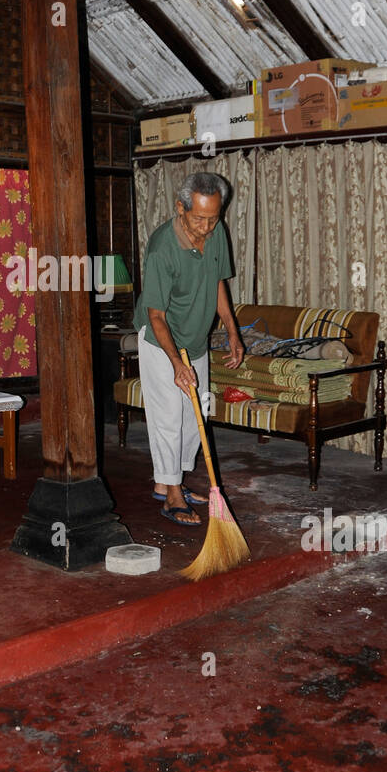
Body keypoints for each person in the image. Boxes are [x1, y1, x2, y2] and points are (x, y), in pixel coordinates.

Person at [132, 170, 244, 528]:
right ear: (180, 208)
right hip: (160, 340)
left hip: (195, 340)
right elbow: (156, 315)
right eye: (199, 218)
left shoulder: (215, 233)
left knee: (197, 414)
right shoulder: (163, 247)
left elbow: (218, 284)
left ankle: (168, 481)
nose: (206, 227)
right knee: (168, 418)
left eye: (213, 218)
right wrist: (175, 364)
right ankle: (173, 495)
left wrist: (232, 331)